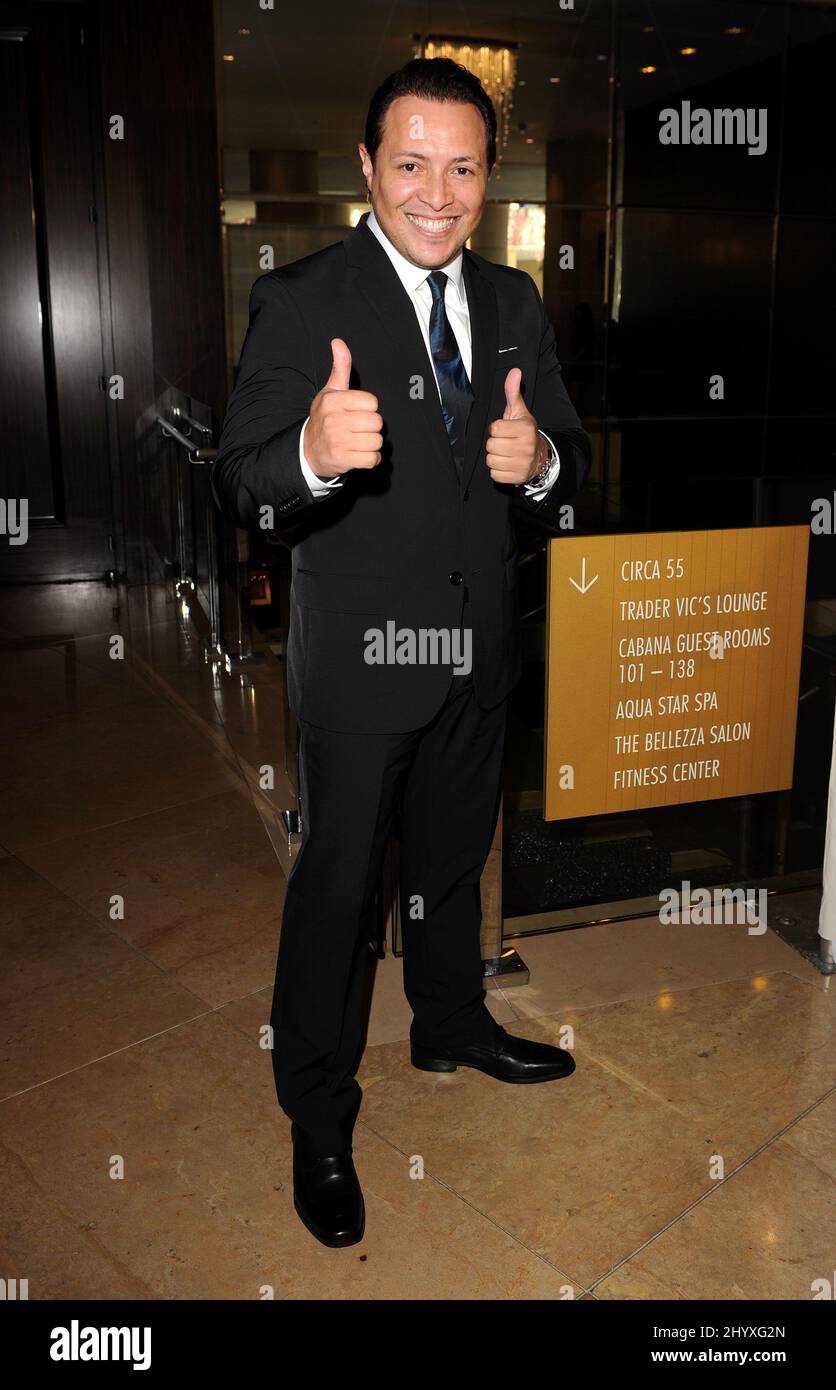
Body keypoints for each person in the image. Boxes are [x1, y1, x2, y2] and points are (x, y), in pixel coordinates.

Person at [210, 57, 592, 1248]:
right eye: (412, 162)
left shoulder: (518, 300)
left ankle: (447, 1021)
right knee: (338, 890)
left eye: (464, 166)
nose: (438, 191)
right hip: (363, 659)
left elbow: (570, 465)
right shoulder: (305, 297)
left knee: (449, 857)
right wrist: (313, 454)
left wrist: (538, 463)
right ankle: (317, 1112)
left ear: (488, 177)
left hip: (476, 647)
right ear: (367, 169)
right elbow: (240, 480)